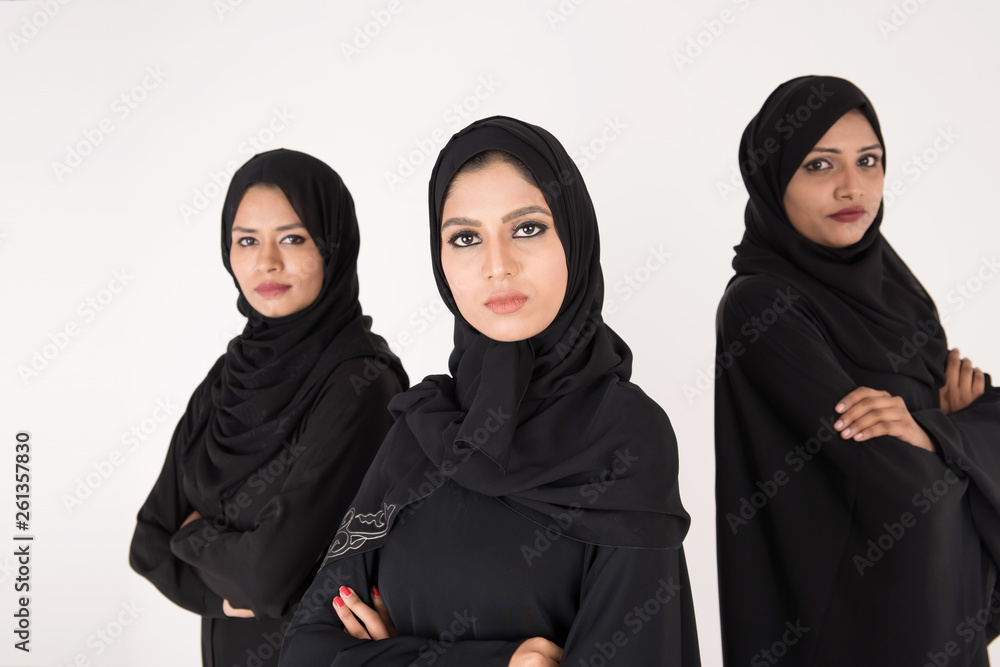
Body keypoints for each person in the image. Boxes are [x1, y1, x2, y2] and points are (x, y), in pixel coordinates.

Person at [278, 116, 701, 666]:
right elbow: (304, 652)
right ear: (441, 261)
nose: (497, 266)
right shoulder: (423, 427)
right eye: (466, 238)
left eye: (527, 228)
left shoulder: (625, 435)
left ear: (574, 236)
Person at [715, 75, 1000, 666]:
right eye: (820, 166)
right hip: (845, 633)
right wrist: (952, 432)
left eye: (869, 161)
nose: (854, 186)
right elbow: (906, 491)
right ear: (772, 178)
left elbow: (951, 442)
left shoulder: (901, 295)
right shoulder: (762, 305)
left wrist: (932, 434)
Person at [129, 148, 407, 667]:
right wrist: (222, 597)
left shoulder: (362, 383)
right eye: (247, 240)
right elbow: (147, 543)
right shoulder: (227, 377)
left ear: (334, 246)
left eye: (293, 238)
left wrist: (191, 535)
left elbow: (268, 577)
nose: (267, 263)